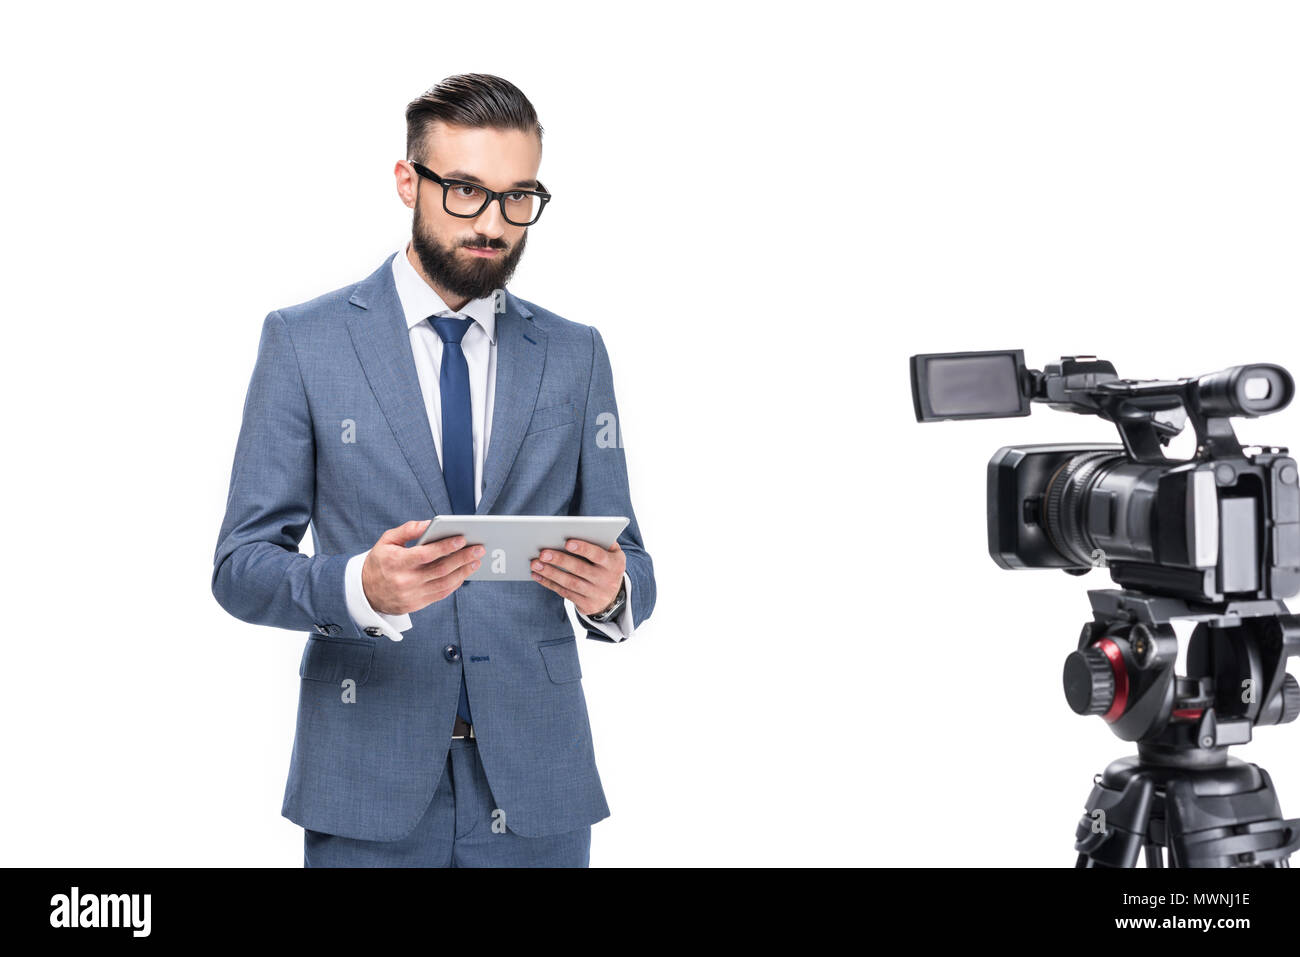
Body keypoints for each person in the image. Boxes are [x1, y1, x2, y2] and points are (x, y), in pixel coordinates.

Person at [211, 73, 655, 867]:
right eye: (465, 192)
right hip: (364, 782)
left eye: (519, 197)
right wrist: (358, 588)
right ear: (407, 182)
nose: (493, 223)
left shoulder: (574, 353)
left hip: (539, 789)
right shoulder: (304, 342)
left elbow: (636, 562)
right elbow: (241, 567)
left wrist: (613, 590)